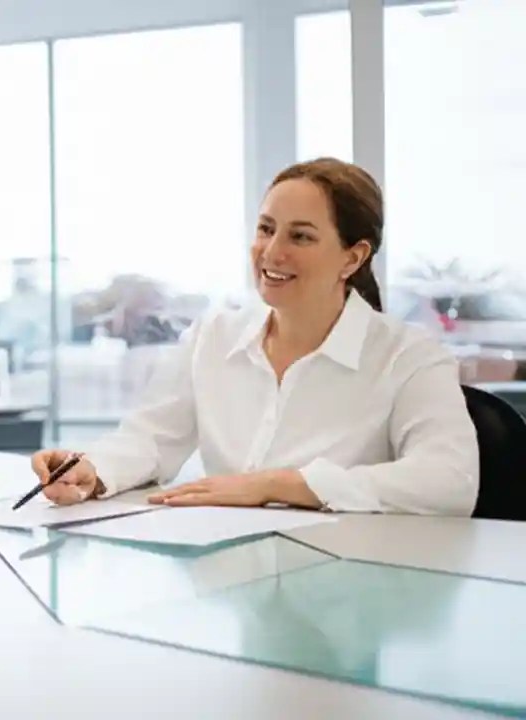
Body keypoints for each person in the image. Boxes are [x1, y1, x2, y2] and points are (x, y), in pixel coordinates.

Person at [32, 158, 478, 516]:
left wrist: (278, 485)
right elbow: (150, 439)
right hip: (231, 575)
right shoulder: (213, 336)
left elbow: (450, 480)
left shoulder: (409, 356)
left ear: (352, 258)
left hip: (349, 581)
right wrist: (90, 470)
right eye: (266, 229)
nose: (272, 251)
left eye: (300, 236)